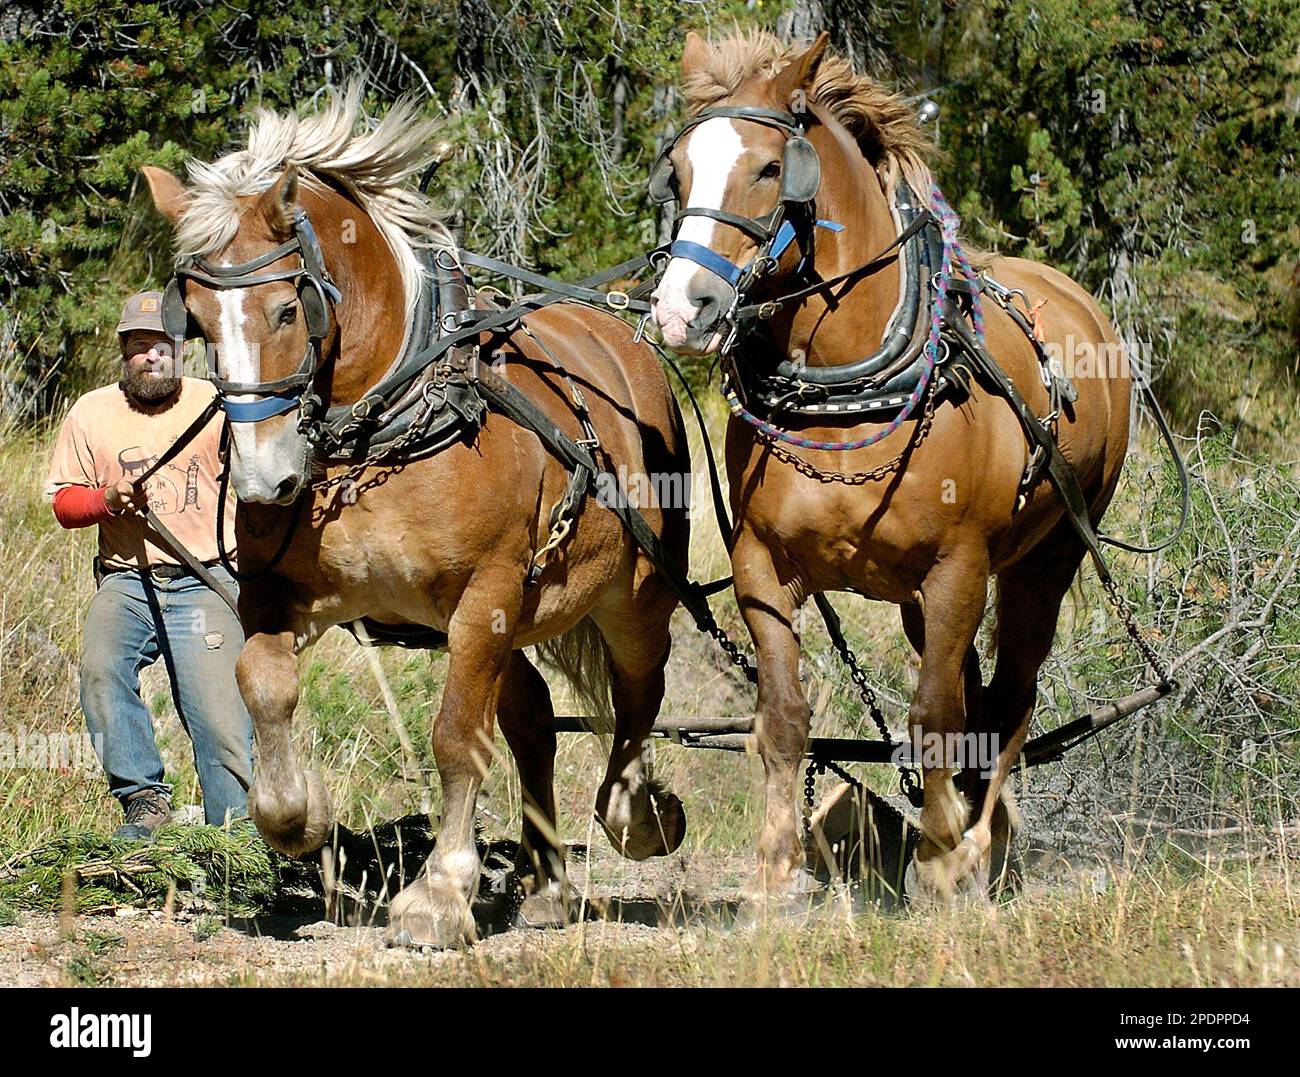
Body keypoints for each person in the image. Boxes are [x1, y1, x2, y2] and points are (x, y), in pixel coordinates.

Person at [45, 290, 253, 841]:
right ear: (124, 352)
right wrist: (106, 501)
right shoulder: (91, 411)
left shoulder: (218, 404)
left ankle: (234, 841)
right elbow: (65, 505)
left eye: (162, 346)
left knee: (220, 718)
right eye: (140, 347)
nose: (152, 357)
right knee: (100, 669)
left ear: (181, 350)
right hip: (126, 579)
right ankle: (143, 801)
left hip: (207, 579)